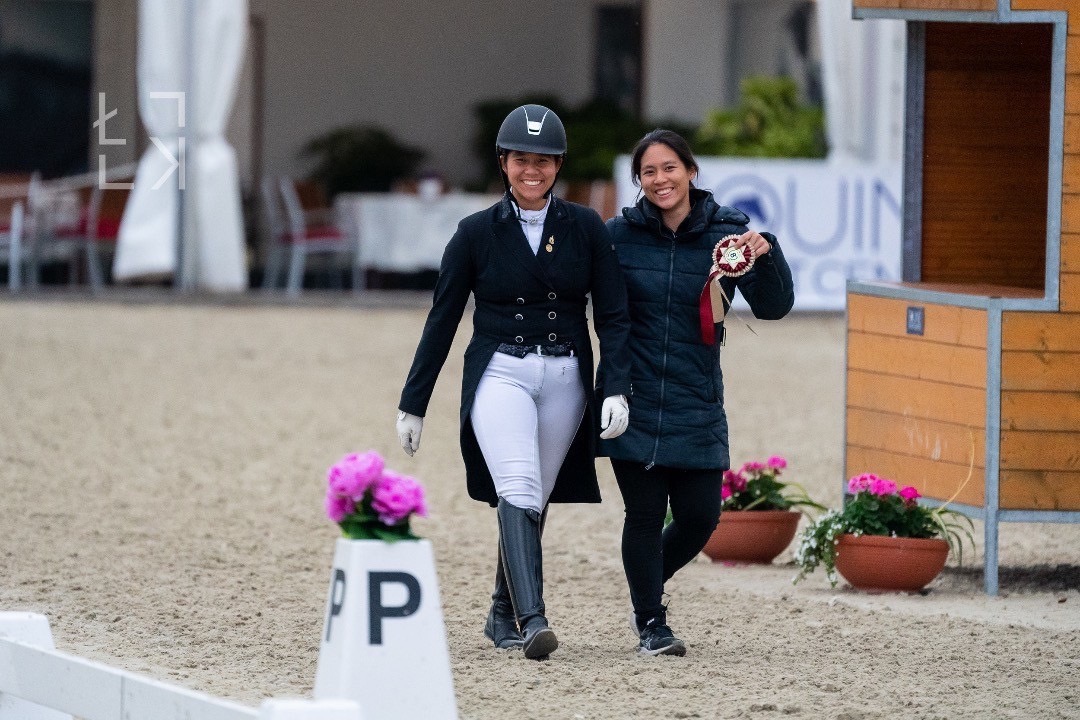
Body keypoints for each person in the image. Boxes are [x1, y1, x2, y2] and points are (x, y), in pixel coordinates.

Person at [395, 104, 632, 660]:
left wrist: (616, 386)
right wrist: (414, 402)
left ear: (558, 166)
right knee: (520, 486)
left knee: (534, 498)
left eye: (545, 161)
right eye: (523, 159)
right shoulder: (475, 233)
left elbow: (613, 315)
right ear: (504, 163)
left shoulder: (586, 228)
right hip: (501, 370)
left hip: (566, 376)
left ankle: (501, 611)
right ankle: (533, 620)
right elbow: (443, 319)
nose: (534, 170)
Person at [602, 129, 794, 656]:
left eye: (669, 168)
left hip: (697, 395)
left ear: (691, 171)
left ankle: (643, 582)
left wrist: (767, 254)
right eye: (648, 172)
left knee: (700, 517)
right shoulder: (618, 235)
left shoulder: (730, 233)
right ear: (638, 181)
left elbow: (775, 307)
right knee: (642, 515)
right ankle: (651, 622)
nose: (660, 180)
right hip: (634, 398)